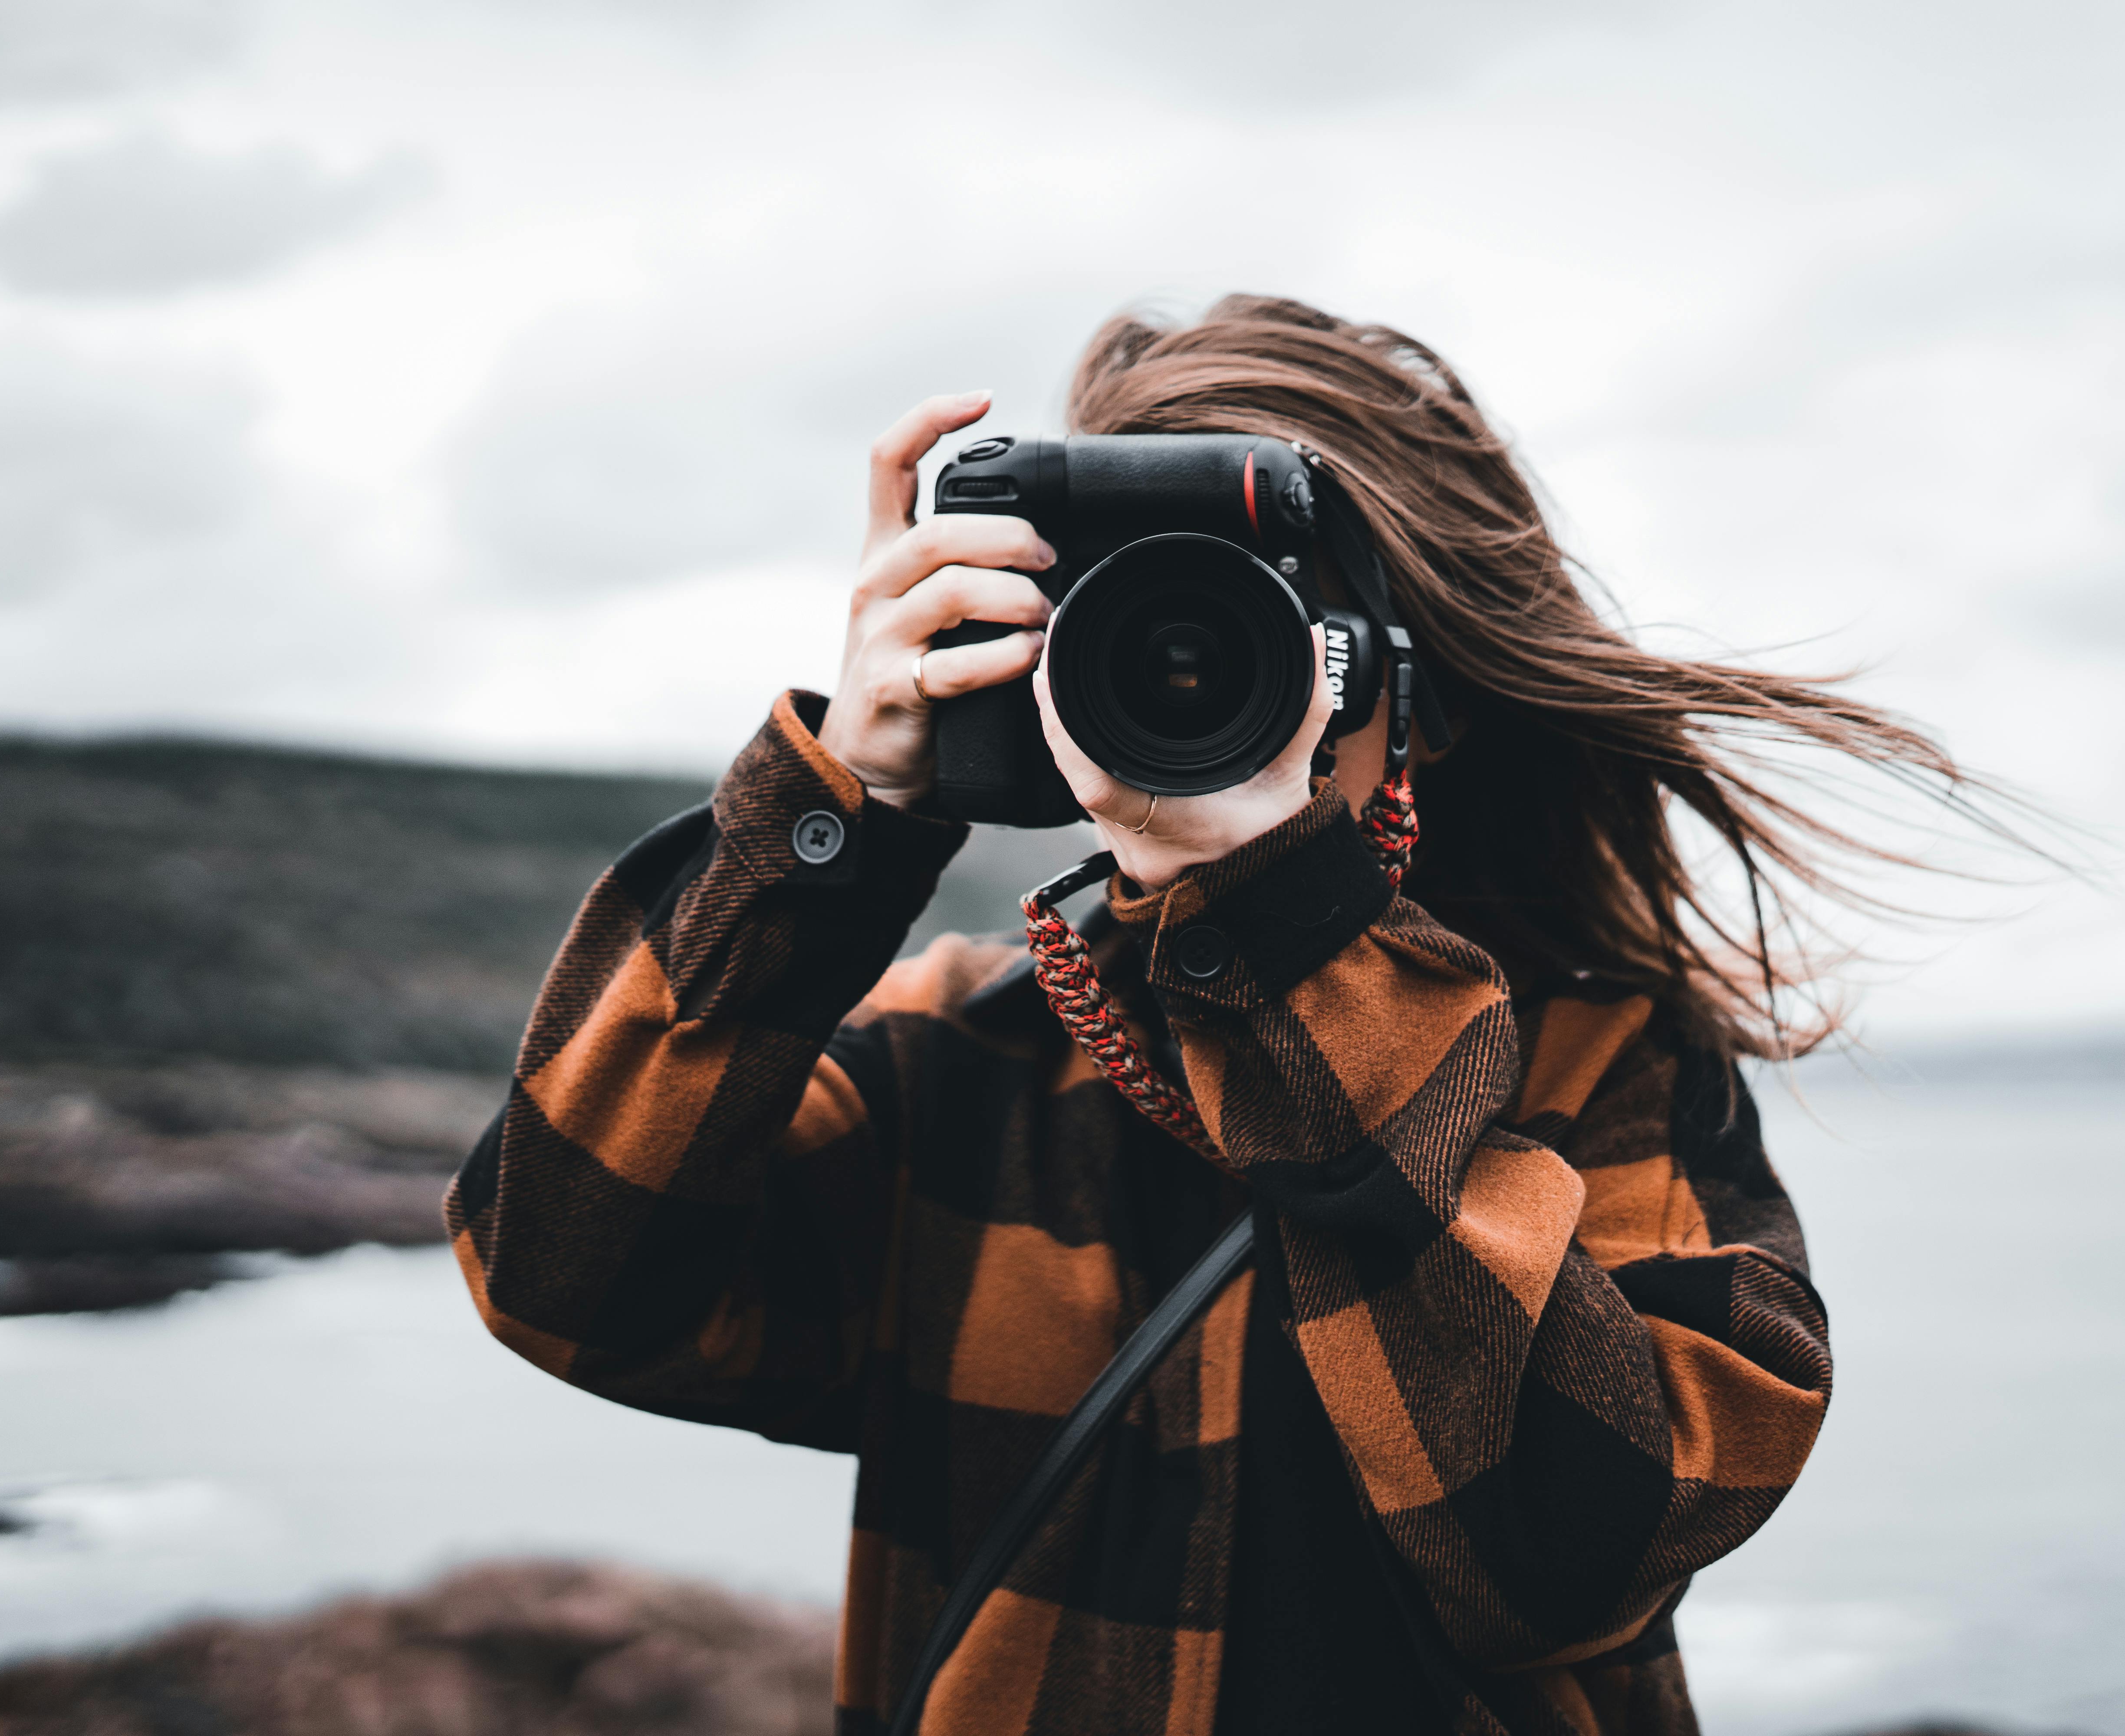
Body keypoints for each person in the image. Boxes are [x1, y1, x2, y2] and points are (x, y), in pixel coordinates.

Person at [447, 296, 1985, 1734]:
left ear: (1422, 695)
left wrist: (1291, 940)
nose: (1199, 679)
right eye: (1136, 632)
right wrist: (836, 817)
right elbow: (566, 1277)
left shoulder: (1606, 1071)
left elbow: (1564, 1555)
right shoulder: (955, 1058)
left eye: (1268, 632)